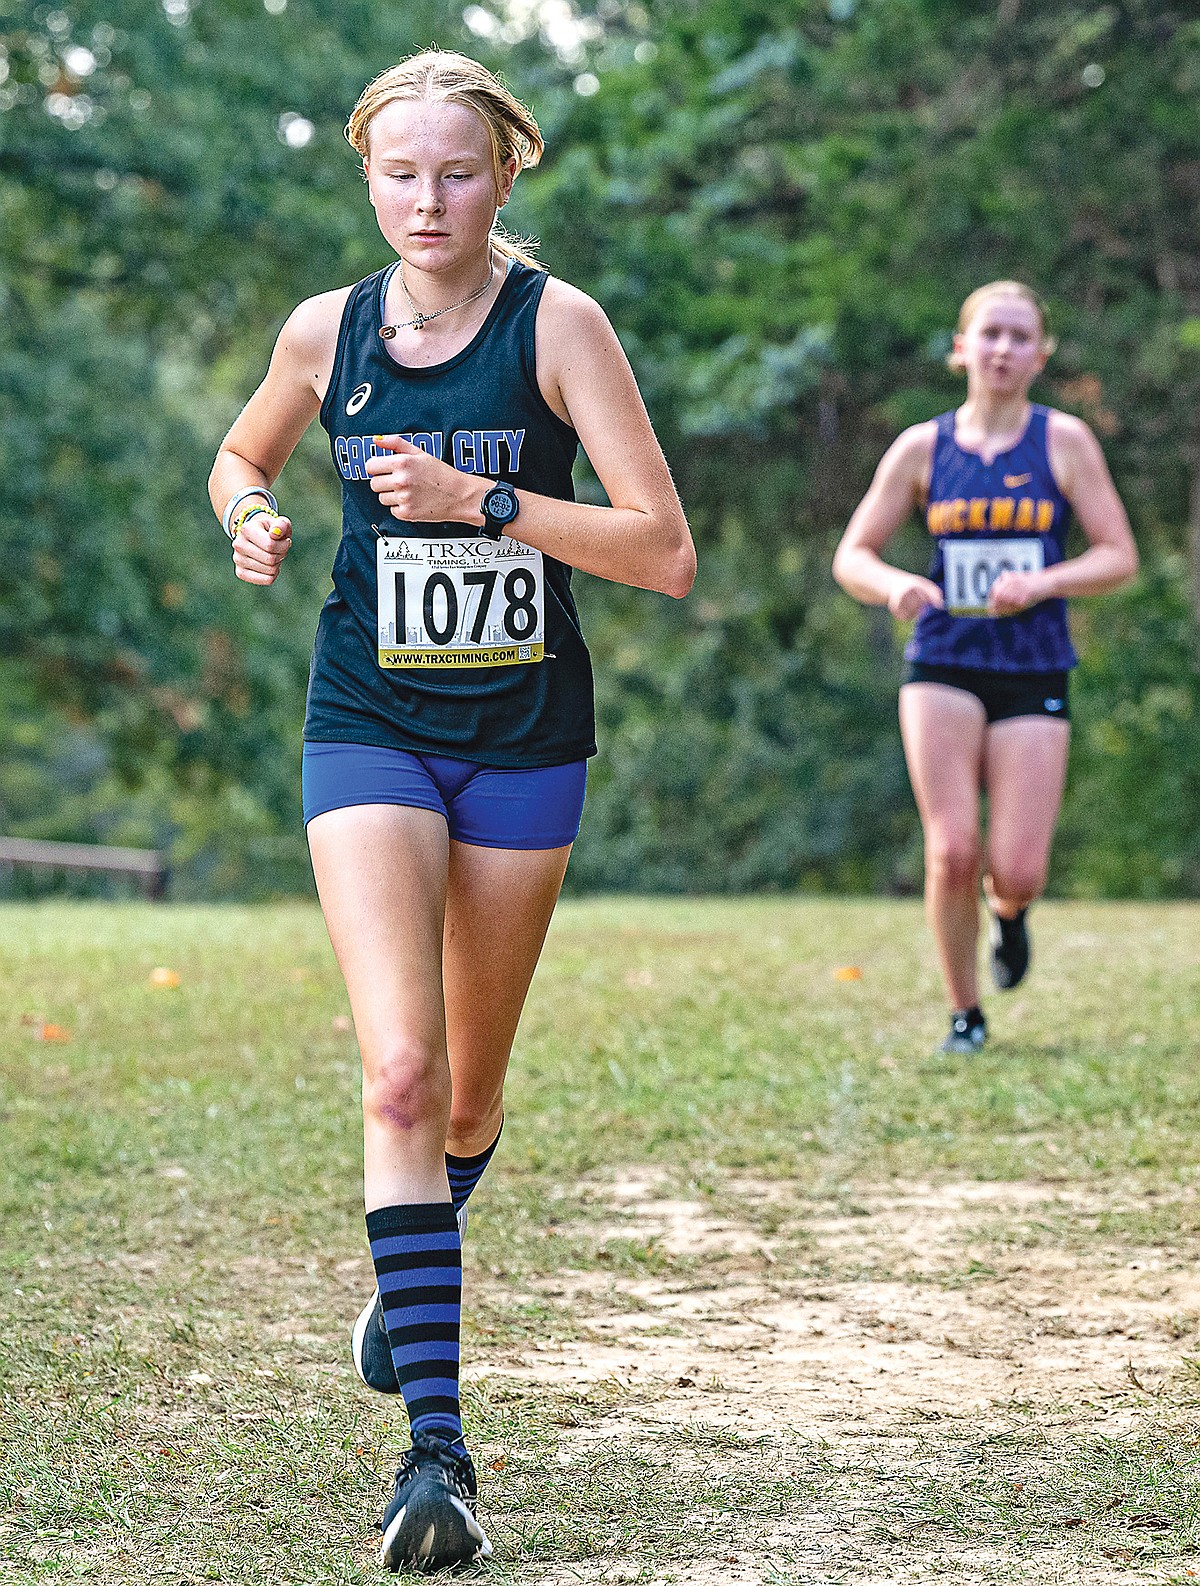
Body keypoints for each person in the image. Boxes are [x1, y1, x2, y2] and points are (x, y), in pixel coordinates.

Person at [209, 50, 694, 1572]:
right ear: (367, 175)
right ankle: (437, 1455)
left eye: (459, 172)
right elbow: (240, 450)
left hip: (525, 739)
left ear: (505, 175)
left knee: (470, 1095)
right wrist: (252, 512)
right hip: (370, 723)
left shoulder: (561, 326)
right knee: (402, 1074)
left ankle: (421, 1244)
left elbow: (662, 550)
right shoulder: (326, 330)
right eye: (402, 173)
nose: (429, 200)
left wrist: (484, 500)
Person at [832, 281, 1136, 1055]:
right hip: (944, 660)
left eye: (1019, 336)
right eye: (990, 333)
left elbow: (1117, 555)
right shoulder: (922, 448)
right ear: (962, 348)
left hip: (1033, 664)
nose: (1003, 348)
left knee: (1018, 868)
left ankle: (1011, 914)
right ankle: (964, 1015)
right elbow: (853, 555)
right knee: (952, 849)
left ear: (1041, 354)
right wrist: (894, 586)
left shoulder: (1064, 441)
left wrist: (1045, 581)